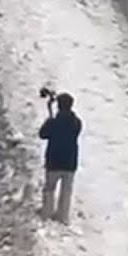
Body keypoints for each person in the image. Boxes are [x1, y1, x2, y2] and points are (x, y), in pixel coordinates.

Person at [38, 91, 81, 224]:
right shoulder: (76, 122)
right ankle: (63, 216)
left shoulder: (54, 122)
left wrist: (49, 119)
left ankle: (47, 212)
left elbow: (43, 134)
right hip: (70, 162)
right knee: (66, 190)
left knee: (50, 188)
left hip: (54, 161)